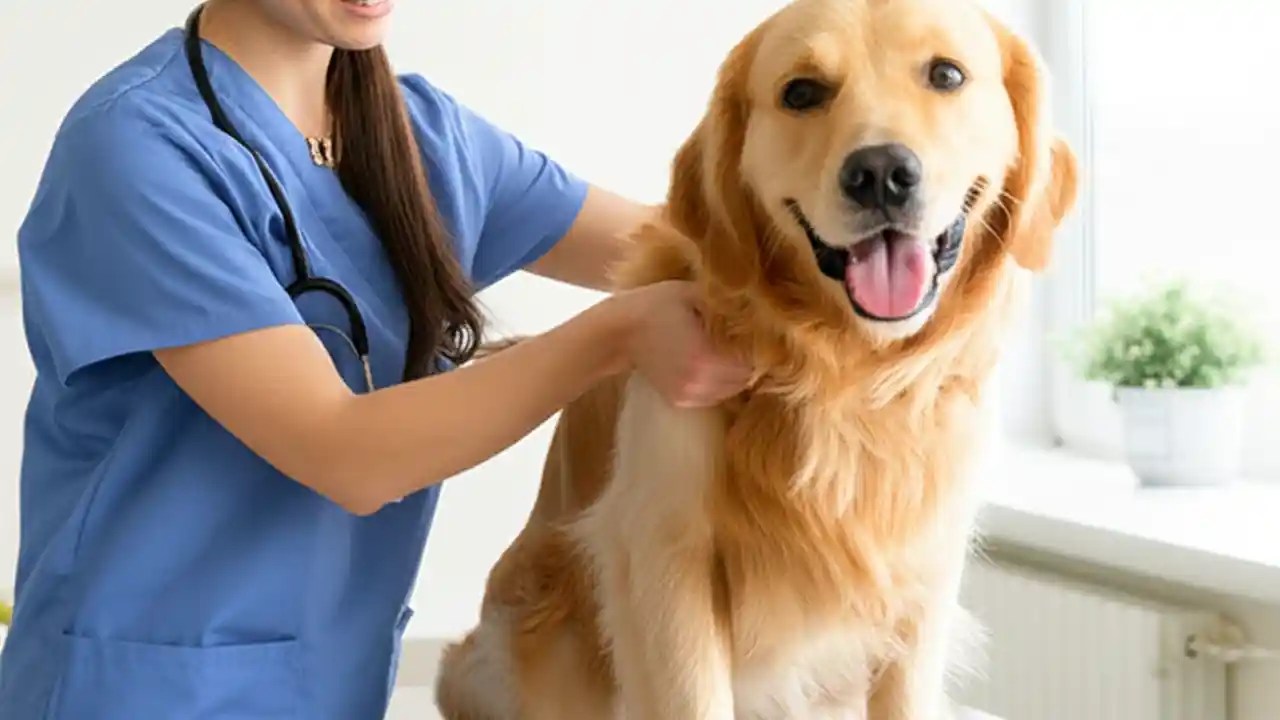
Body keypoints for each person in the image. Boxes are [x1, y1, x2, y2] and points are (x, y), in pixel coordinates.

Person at [0, 1, 753, 717]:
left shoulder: (425, 137)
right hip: (141, 696)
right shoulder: (137, 147)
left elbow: (680, 250)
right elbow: (346, 455)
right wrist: (615, 336)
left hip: (331, 689)